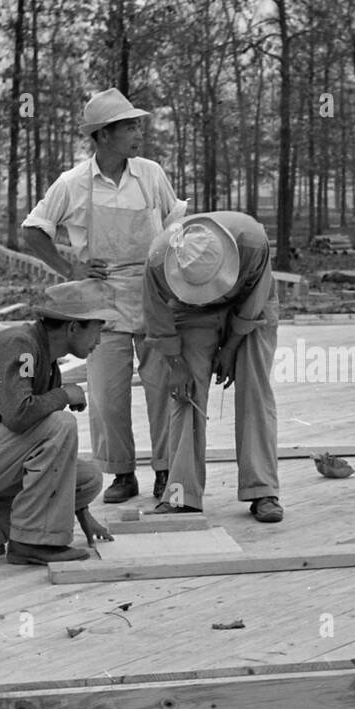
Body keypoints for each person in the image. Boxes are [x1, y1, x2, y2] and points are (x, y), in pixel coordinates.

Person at [21, 89, 186, 508]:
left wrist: (177, 280)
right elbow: (33, 229)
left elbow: (175, 227)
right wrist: (69, 269)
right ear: (103, 135)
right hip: (101, 300)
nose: (137, 132)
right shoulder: (73, 183)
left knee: (161, 388)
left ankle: (166, 470)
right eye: (129, 126)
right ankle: (122, 473)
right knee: (107, 395)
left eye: (136, 124)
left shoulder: (150, 174)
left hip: (153, 293)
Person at [0, 281, 116, 565]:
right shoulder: (20, 345)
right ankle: (30, 542)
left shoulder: (46, 362)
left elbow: (52, 459)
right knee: (61, 424)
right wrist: (64, 395)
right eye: (97, 330)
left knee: (87, 480)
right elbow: (18, 416)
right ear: (73, 327)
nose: (98, 341)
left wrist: (83, 515)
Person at [143, 212, 283, 523]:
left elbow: (254, 303)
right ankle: (181, 495)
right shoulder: (157, 259)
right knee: (185, 394)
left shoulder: (253, 243)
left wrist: (231, 347)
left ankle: (263, 490)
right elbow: (157, 318)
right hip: (190, 311)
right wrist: (175, 365)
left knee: (254, 390)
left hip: (251, 307)